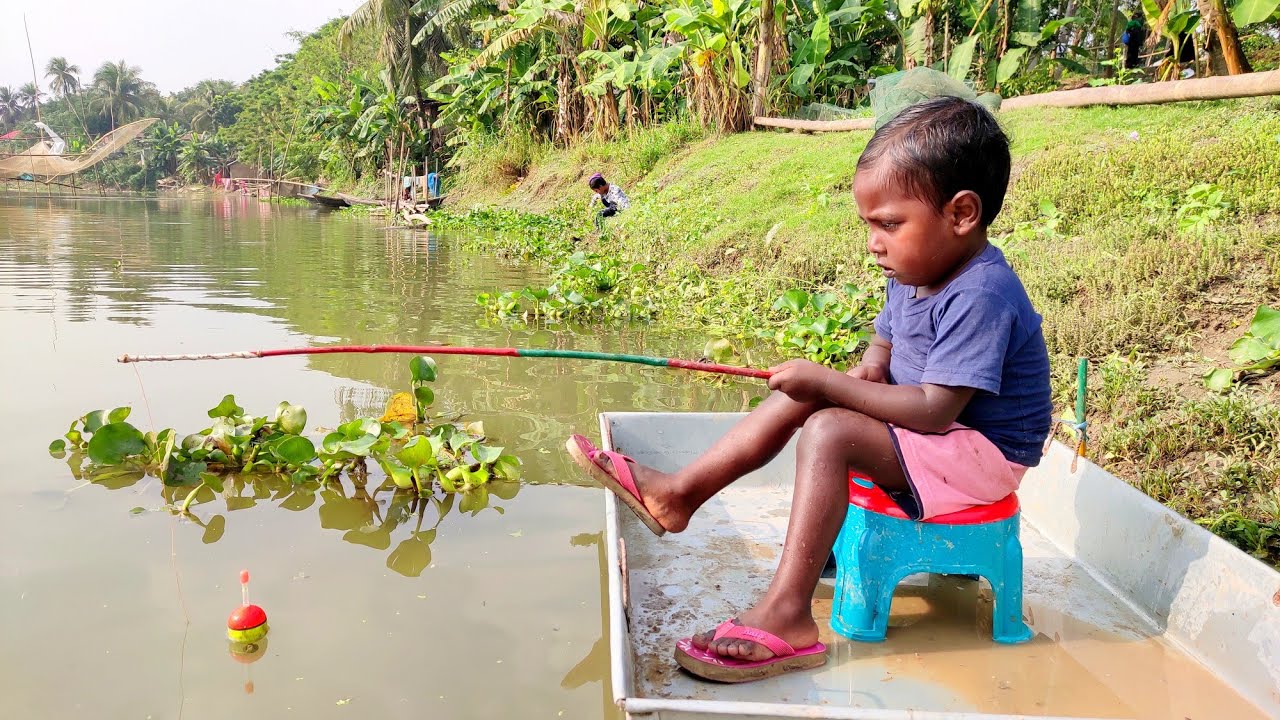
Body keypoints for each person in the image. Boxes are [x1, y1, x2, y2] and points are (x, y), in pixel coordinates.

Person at [566, 97, 1052, 683]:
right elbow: (887, 338)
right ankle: (679, 495)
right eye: (869, 225)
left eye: (888, 224)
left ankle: (789, 614)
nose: (874, 243)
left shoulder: (982, 293)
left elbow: (932, 410)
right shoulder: (915, 271)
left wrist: (830, 382)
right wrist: (868, 368)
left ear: (962, 213)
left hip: (983, 455)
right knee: (811, 398)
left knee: (829, 430)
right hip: (941, 438)